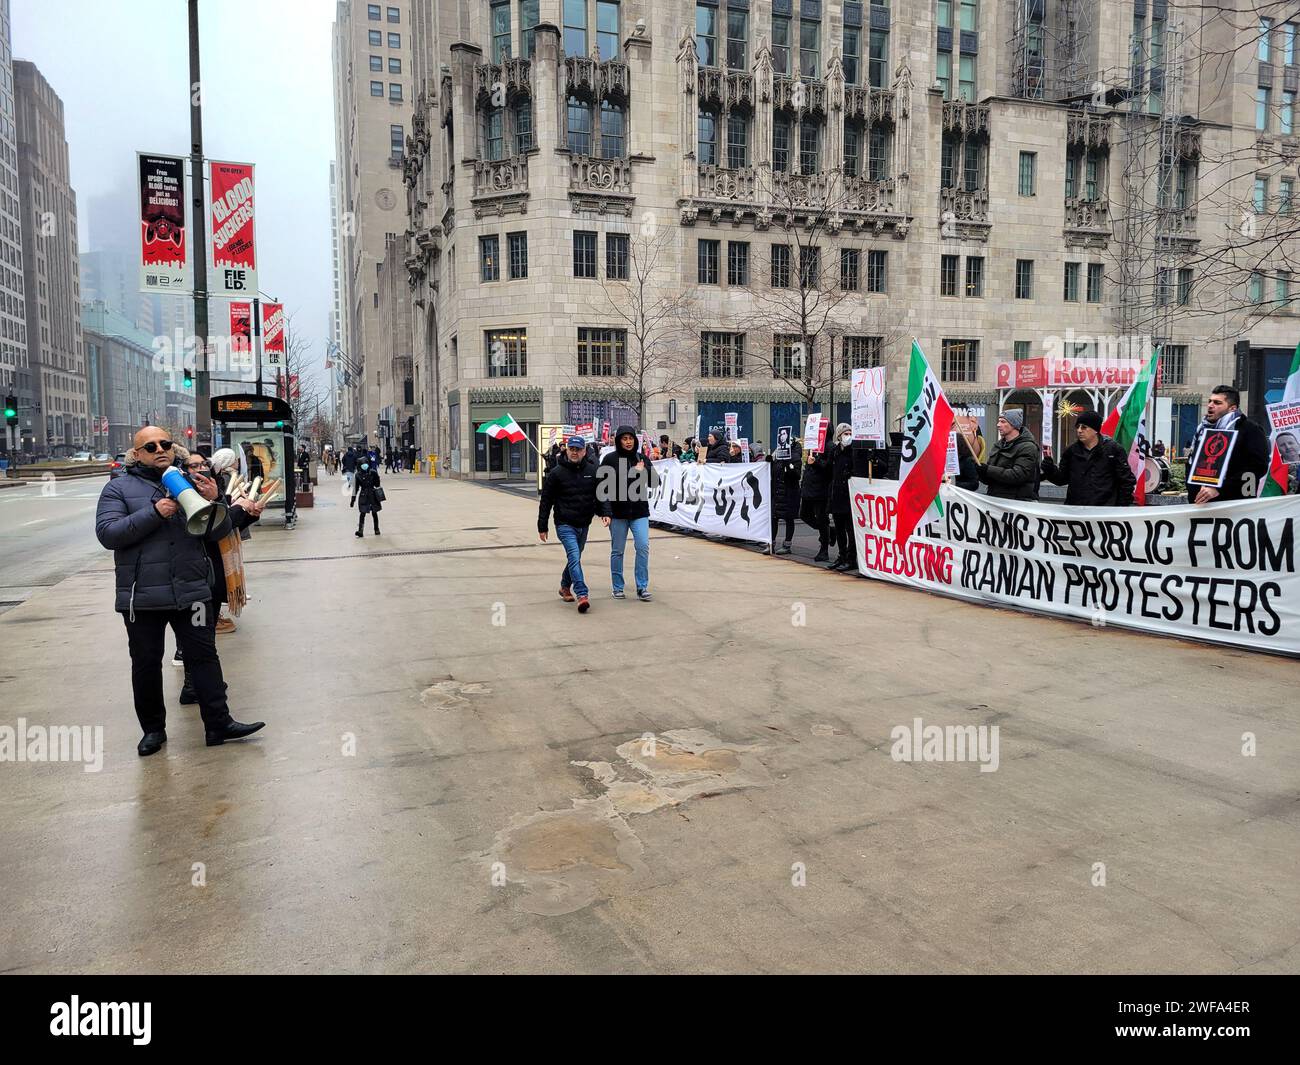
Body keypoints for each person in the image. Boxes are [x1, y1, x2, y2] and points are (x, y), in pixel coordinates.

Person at [94, 426, 266, 756]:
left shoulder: (192, 481)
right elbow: (108, 534)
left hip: (192, 593)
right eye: (150, 446)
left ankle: (219, 724)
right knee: (146, 664)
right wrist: (154, 512)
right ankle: (153, 730)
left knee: (204, 657)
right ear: (137, 454)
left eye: (165, 444)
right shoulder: (118, 488)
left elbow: (219, 533)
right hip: (142, 597)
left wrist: (215, 498)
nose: (159, 449)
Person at [177, 451, 264, 692]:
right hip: (195, 577)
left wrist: (248, 514)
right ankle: (193, 686)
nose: (199, 469)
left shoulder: (216, 486)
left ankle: (193, 684)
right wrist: (238, 509)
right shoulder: (182, 495)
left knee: (205, 633)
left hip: (213, 575)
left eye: (203, 463)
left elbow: (225, 526)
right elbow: (210, 527)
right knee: (197, 635)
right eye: (192, 466)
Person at [539, 435, 601, 613]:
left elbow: (600, 495)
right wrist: (542, 526)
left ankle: (565, 586)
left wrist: (604, 513)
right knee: (574, 555)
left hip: (584, 522)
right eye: (571, 449)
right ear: (567, 450)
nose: (574, 452)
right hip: (564, 523)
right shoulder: (556, 473)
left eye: (578, 449)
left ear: (584, 451)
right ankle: (582, 594)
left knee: (575, 558)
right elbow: (546, 501)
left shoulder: (592, 470)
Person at [1186, 384, 1271, 504]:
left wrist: (1220, 488)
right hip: (1200, 502)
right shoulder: (1202, 429)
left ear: (1232, 408)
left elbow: (1258, 468)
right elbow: (1191, 462)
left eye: (1217, 403)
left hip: (1234, 505)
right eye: (1210, 401)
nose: (1210, 405)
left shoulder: (1249, 429)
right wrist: (1193, 490)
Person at [599, 426, 654, 601]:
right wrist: (605, 512)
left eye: (631, 438)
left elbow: (654, 482)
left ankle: (642, 587)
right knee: (617, 551)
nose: (628, 441)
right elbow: (603, 488)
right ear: (619, 440)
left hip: (639, 512)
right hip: (617, 513)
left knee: (643, 547)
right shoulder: (609, 459)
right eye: (624, 438)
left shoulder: (641, 458)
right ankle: (617, 587)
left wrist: (644, 470)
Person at [1039, 410, 1136, 506]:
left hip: (1105, 512)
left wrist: (1120, 508)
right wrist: (1050, 469)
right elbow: (1061, 479)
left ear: (1095, 430)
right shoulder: (1071, 451)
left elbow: (1126, 481)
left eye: (1084, 427)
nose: (1079, 430)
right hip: (1076, 511)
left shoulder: (1114, 450)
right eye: (1078, 427)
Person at [978, 409, 1041, 501]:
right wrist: (980, 470)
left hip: (1016, 503)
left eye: (1003, 422)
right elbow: (990, 480)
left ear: (1014, 424)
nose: (998, 425)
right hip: (996, 501)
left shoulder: (1028, 447)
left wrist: (988, 469)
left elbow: (1018, 475)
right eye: (999, 421)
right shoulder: (998, 446)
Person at [827, 423, 858, 570]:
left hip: (849, 495)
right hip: (837, 494)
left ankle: (851, 559)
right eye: (846, 433)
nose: (848, 435)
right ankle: (842, 555)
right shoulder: (835, 452)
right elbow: (828, 468)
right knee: (839, 529)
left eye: (850, 432)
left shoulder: (853, 451)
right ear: (839, 436)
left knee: (850, 529)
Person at [800, 439, 834, 563]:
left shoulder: (830, 446)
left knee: (822, 519)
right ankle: (830, 531)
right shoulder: (812, 445)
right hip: (809, 487)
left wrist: (816, 462)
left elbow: (829, 468)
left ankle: (824, 550)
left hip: (821, 489)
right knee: (804, 515)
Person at [770, 439, 802, 554]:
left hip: (789, 494)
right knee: (774, 518)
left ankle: (787, 544)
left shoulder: (795, 457)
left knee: (789, 518)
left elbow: (796, 475)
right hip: (778, 493)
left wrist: (788, 464)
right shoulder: (778, 457)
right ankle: (771, 543)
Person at [352, 456, 383, 536]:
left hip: (372, 493)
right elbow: (355, 488)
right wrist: (353, 499)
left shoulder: (373, 472)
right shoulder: (357, 475)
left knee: (374, 512)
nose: (364, 465)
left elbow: (377, 484)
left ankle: (376, 529)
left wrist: (377, 478)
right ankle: (360, 531)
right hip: (363, 495)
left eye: (365, 463)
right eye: (362, 464)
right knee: (362, 513)